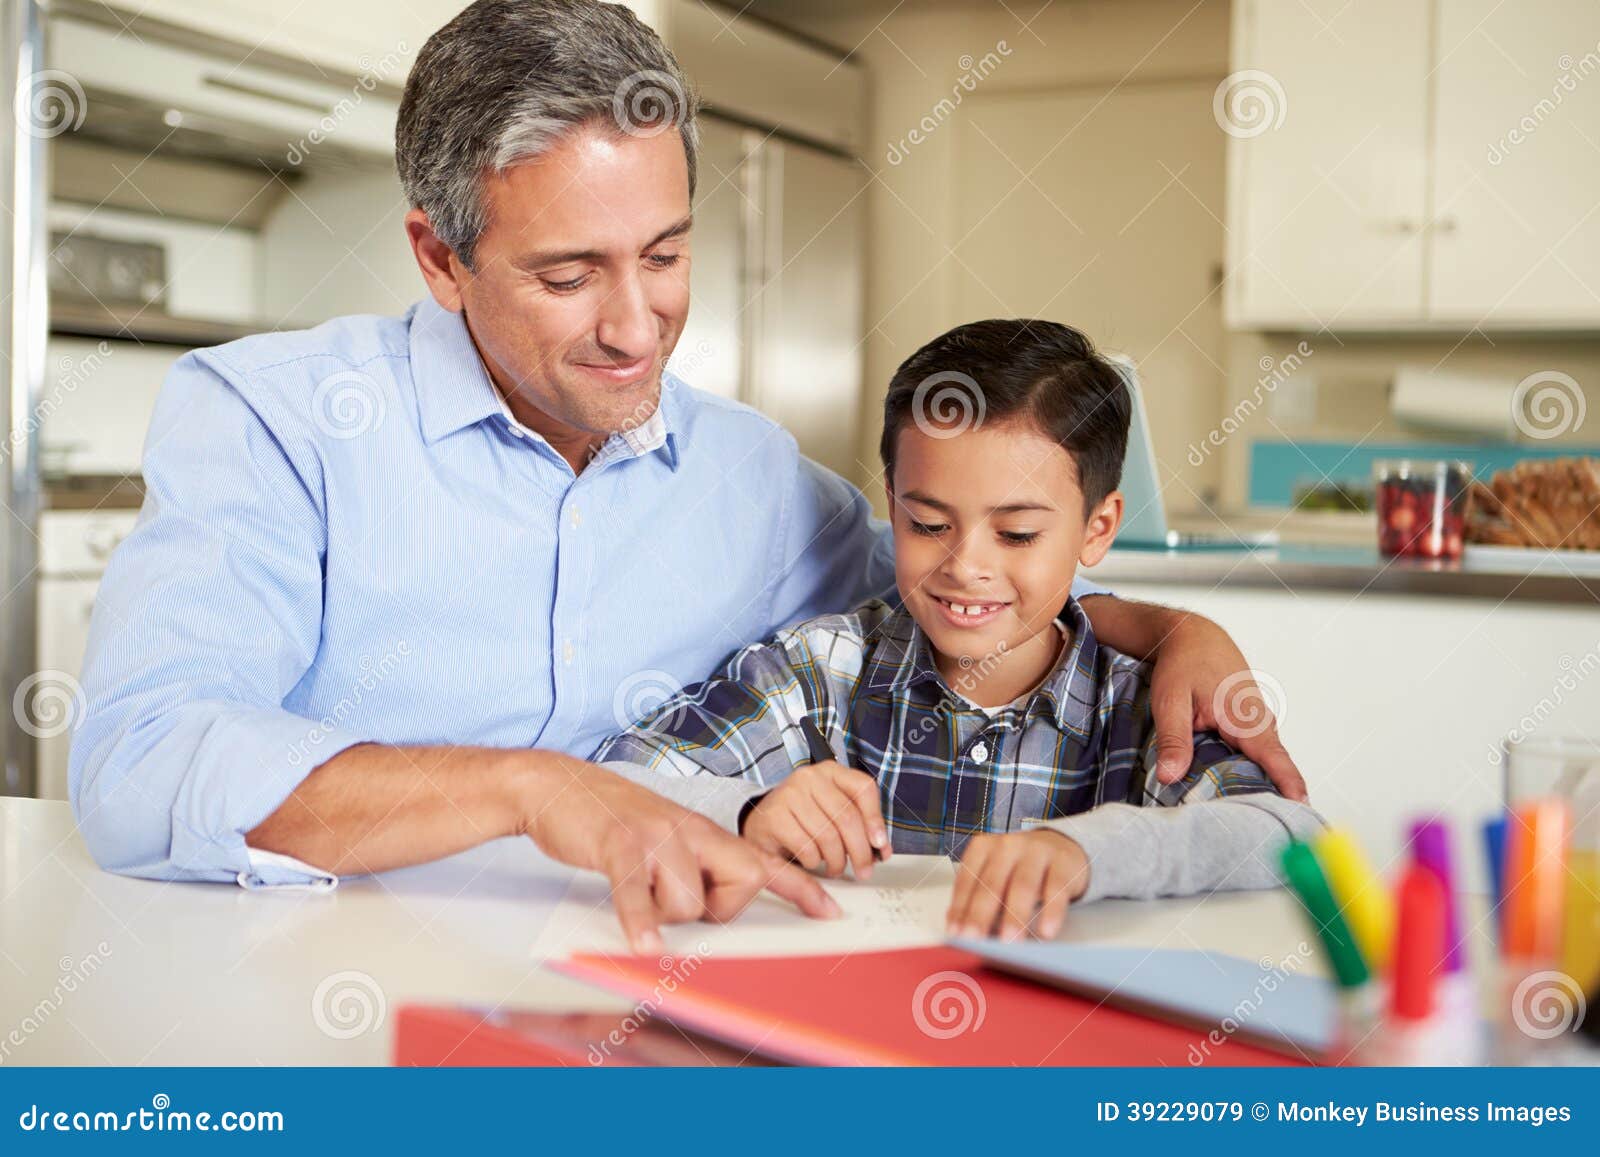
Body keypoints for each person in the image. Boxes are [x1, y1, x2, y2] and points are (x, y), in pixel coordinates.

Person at [71, 0, 1303, 954]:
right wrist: (530, 789)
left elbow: (953, 583)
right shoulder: (277, 421)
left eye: (663, 255)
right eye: (568, 275)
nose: (634, 327)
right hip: (317, 982)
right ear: (439, 258)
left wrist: (1164, 627)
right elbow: (140, 764)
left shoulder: (751, 478)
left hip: (638, 979)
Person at [598, 319, 1324, 940]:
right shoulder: (822, 671)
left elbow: (1289, 833)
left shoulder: (1136, 704)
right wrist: (747, 809)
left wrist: (1091, 851)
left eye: (1016, 534)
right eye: (928, 524)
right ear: (893, 504)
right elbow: (610, 780)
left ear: (1097, 528)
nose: (965, 566)